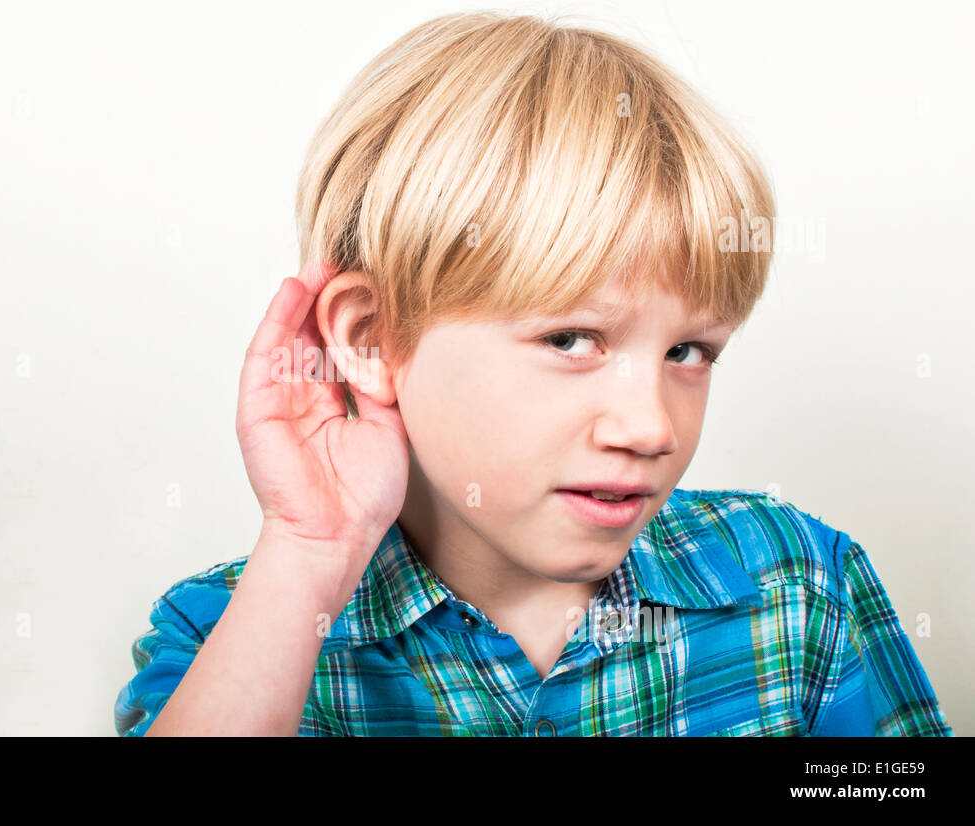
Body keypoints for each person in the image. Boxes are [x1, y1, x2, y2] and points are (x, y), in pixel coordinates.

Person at [115, 11, 953, 736]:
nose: (651, 427)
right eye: (571, 340)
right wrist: (307, 551)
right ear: (371, 337)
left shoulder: (800, 587)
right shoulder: (233, 633)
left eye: (687, 352)